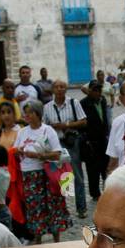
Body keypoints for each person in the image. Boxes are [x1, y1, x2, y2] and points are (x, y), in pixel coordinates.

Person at [15, 100, 68, 243]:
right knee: (34, 205)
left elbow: (57, 153)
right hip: (29, 174)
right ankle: (38, 236)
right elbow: (16, 151)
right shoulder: (22, 132)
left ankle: (56, 236)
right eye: (25, 113)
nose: (27, 115)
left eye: (30, 112)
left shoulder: (47, 130)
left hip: (47, 173)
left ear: (38, 114)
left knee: (53, 203)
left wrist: (38, 155)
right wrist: (19, 152)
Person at [43, 80, 88, 218]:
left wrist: (65, 125)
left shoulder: (74, 103)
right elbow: (44, 126)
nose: (59, 89)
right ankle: (65, 208)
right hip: (56, 144)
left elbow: (84, 121)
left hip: (72, 143)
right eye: (56, 87)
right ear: (53, 90)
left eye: (62, 86)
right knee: (63, 175)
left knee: (77, 175)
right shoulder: (47, 107)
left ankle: (81, 208)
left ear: (66, 89)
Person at [79, 79, 111, 206]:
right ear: (89, 91)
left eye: (99, 90)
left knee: (106, 166)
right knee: (92, 169)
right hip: (90, 141)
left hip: (103, 139)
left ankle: (107, 189)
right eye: (95, 90)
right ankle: (95, 193)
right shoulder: (83, 103)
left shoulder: (102, 101)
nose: (98, 92)